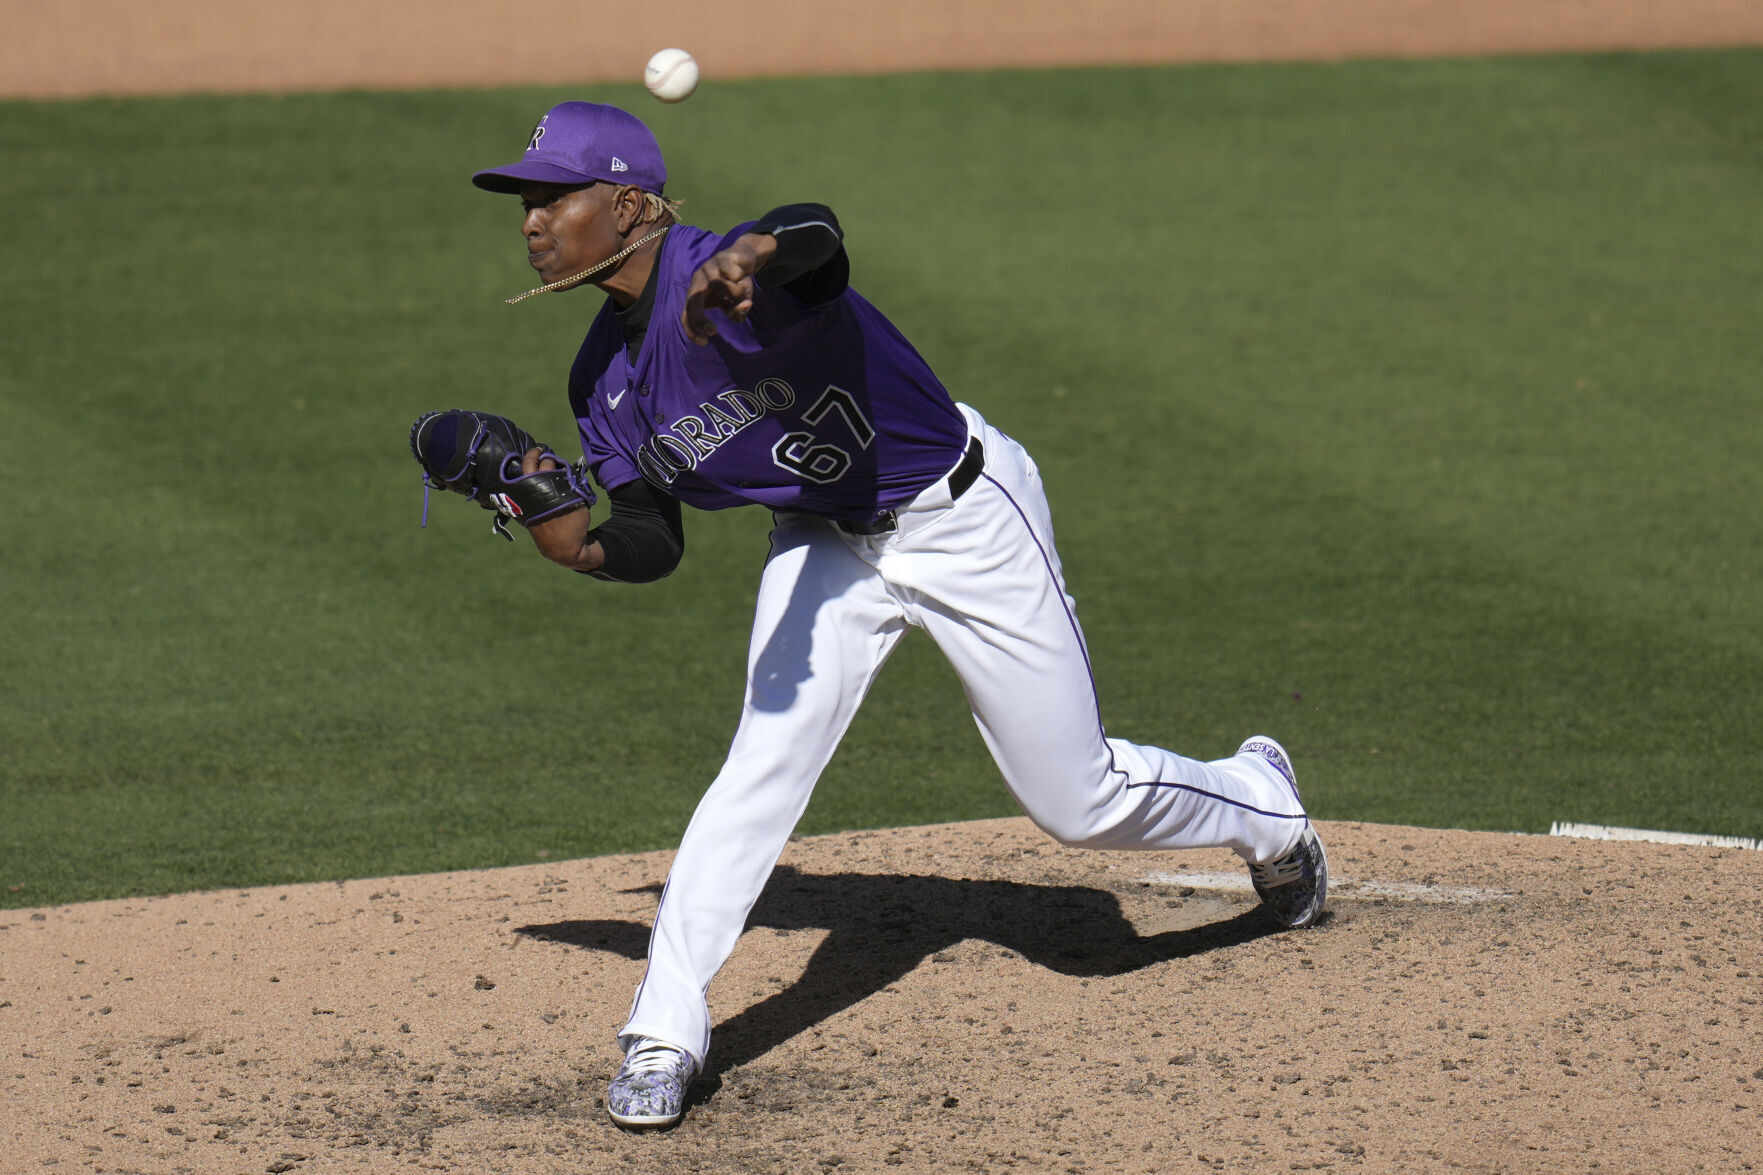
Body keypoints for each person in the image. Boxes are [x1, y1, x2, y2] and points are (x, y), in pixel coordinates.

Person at [466, 101, 1328, 1130]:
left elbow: (817, 240)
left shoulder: (740, 279)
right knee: (758, 767)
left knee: (1075, 801)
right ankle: (663, 1030)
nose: (531, 218)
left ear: (631, 203)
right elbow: (652, 532)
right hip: (826, 543)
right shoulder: (601, 383)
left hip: (959, 516)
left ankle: (1260, 800)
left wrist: (751, 249)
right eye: (526, 199)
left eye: (552, 195)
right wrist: (580, 547)